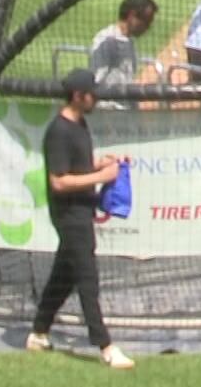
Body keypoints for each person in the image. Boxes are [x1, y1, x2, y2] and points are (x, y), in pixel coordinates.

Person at [27, 68, 134, 370]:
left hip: (82, 210)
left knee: (64, 275)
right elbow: (59, 181)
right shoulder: (58, 131)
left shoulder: (80, 124)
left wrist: (102, 164)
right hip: (69, 215)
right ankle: (106, 347)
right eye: (91, 93)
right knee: (88, 279)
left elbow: (78, 167)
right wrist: (101, 176)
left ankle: (38, 332)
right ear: (78, 96)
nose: (95, 98)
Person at [90, 0, 157, 105]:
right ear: (132, 15)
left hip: (125, 109)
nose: (148, 27)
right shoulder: (107, 40)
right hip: (108, 111)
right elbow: (97, 79)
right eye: (146, 21)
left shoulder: (129, 40)